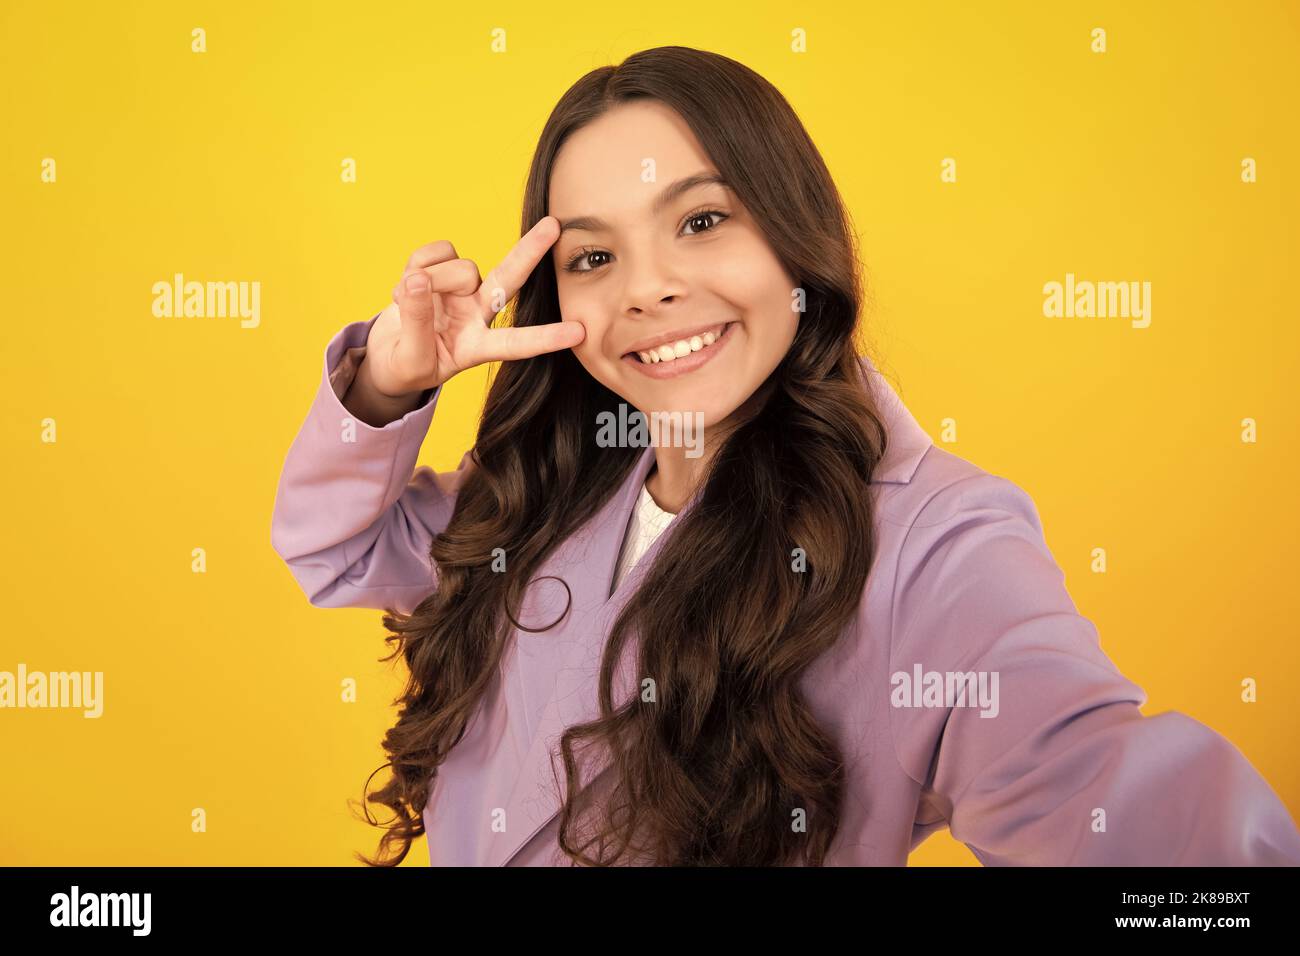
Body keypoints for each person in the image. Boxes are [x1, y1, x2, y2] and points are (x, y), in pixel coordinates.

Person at [270, 46, 1300, 867]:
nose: (646, 288)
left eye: (703, 219)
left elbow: (1115, 809)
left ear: (792, 235)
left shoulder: (933, 546)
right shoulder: (556, 487)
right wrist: (392, 380)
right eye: (594, 255)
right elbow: (332, 547)